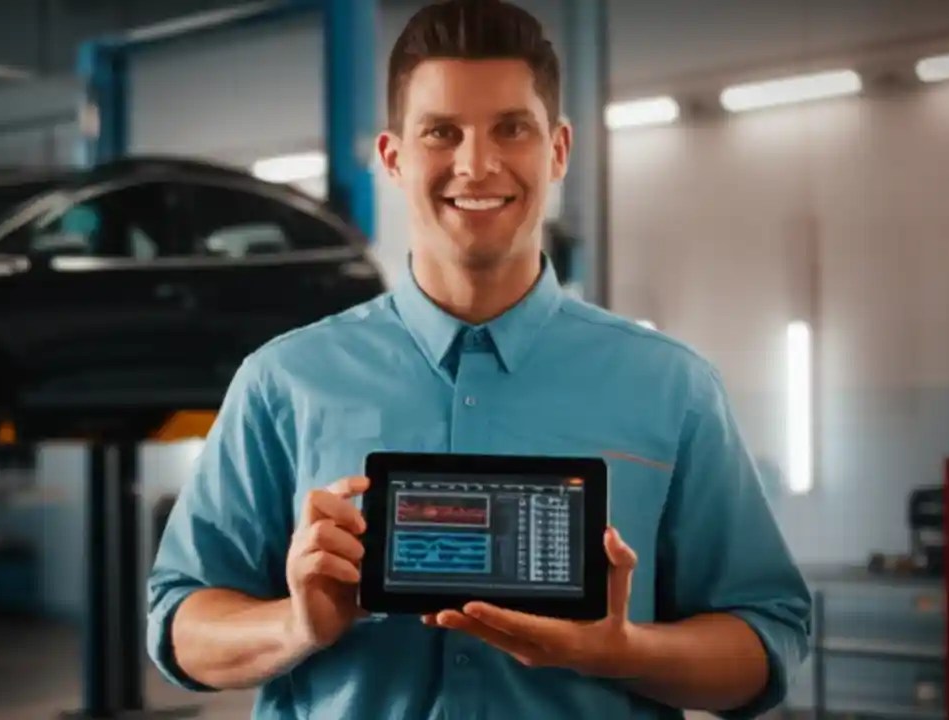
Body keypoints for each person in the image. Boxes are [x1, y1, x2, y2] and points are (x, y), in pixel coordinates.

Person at [146, 1, 812, 718]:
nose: (476, 163)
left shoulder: (673, 388)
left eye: (511, 128)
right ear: (394, 158)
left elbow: (765, 637)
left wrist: (621, 651)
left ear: (557, 150)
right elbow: (182, 624)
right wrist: (297, 624)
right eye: (441, 132)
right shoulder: (283, 382)